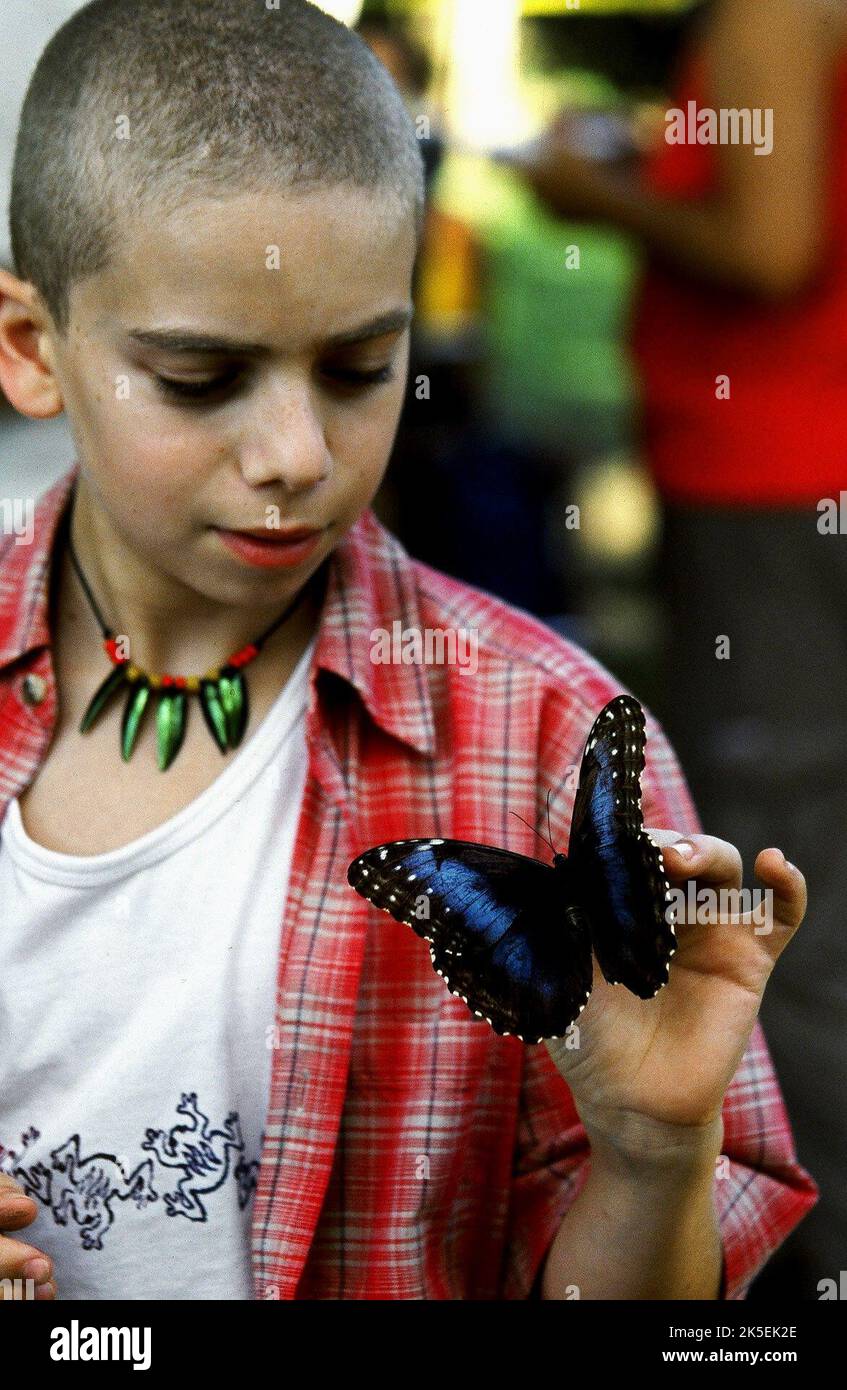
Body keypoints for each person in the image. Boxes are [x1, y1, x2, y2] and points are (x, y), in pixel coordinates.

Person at [0, 0, 816, 1302]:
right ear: (34, 350)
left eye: (359, 367)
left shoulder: (546, 734)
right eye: (202, 377)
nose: (297, 457)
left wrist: (654, 1152)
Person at [500, 0, 847, 1296]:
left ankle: (805, 1265)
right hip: (788, 485)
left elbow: (770, 246)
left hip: (774, 487)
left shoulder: (772, 11)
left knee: (778, 890)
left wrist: (593, 190)